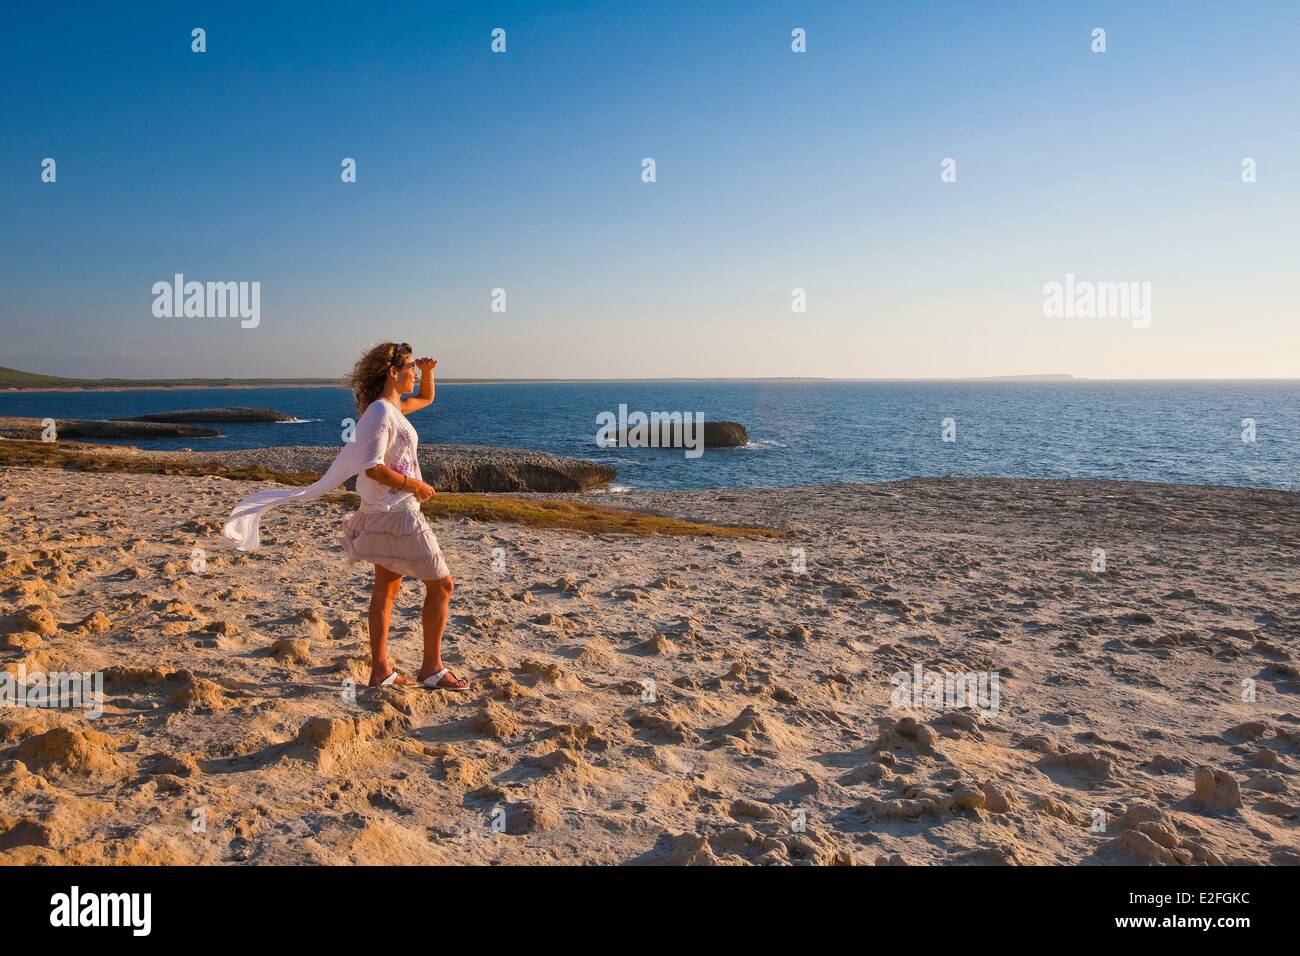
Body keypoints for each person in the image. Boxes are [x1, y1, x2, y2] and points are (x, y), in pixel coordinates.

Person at [222, 342, 468, 690]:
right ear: (392, 372)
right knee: (442, 584)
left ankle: (382, 670)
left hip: (385, 511)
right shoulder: (381, 413)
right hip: (397, 512)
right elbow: (373, 468)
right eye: (411, 367)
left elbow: (426, 399)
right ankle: (431, 668)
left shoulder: (392, 407)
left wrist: (428, 373)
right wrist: (416, 485)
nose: (414, 372)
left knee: (387, 587)